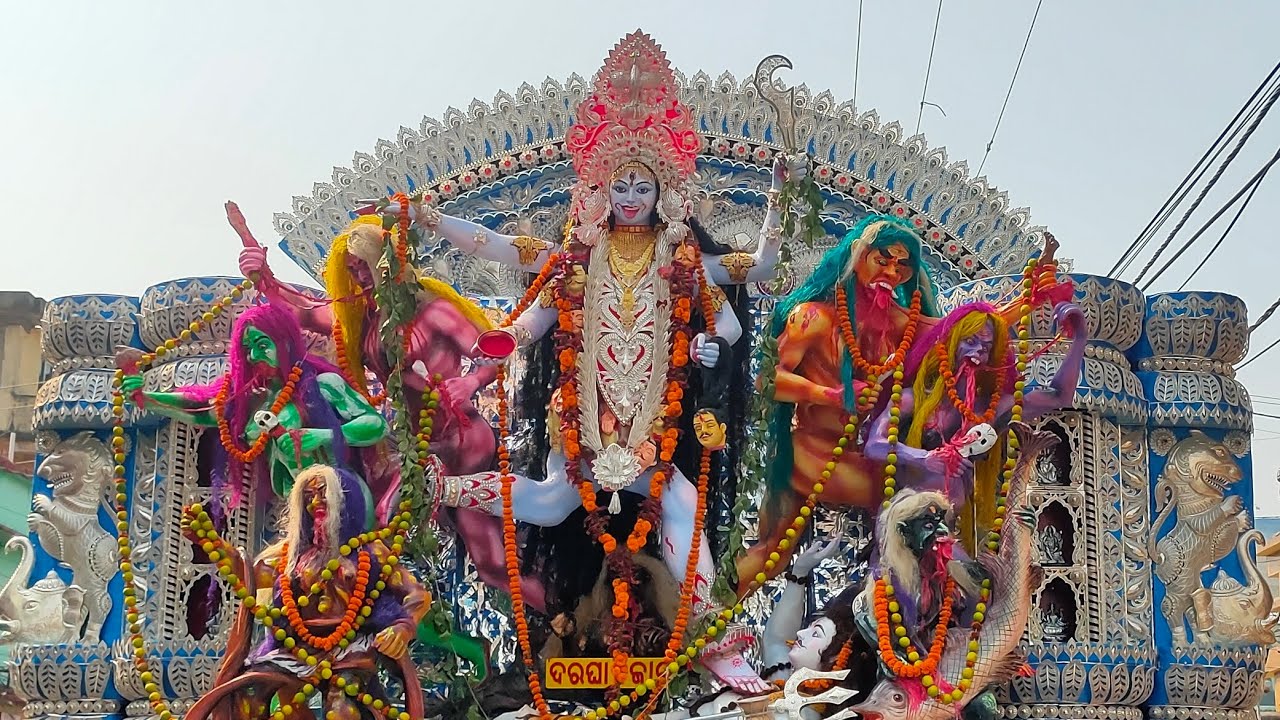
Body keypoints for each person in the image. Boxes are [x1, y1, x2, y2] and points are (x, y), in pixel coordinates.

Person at [121, 303, 388, 514]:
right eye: (248, 349)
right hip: (299, 510)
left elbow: (376, 425)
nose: (253, 357)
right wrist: (145, 397)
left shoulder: (323, 385)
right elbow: (201, 409)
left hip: (343, 500)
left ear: (286, 343)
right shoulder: (253, 402)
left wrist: (324, 435)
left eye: (262, 345)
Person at [863, 300, 1087, 547]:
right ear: (950, 344)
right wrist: (923, 458)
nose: (978, 351)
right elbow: (874, 445)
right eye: (970, 341)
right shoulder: (911, 399)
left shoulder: (990, 409)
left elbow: (1058, 396)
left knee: (973, 579)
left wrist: (1079, 339)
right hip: (905, 529)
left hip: (954, 531)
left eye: (986, 346)